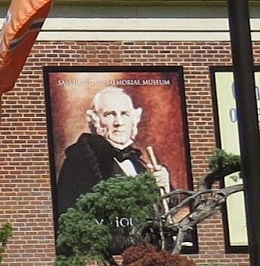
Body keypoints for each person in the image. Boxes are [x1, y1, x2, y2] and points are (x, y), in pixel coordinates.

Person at [53, 86, 172, 219]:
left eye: (124, 114)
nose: (119, 123)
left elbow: (163, 216)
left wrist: (164, 188)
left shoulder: (138, 164)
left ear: (134, 120)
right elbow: (70, 216)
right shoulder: (79, 161)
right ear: (96, 120)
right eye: (110, 114)